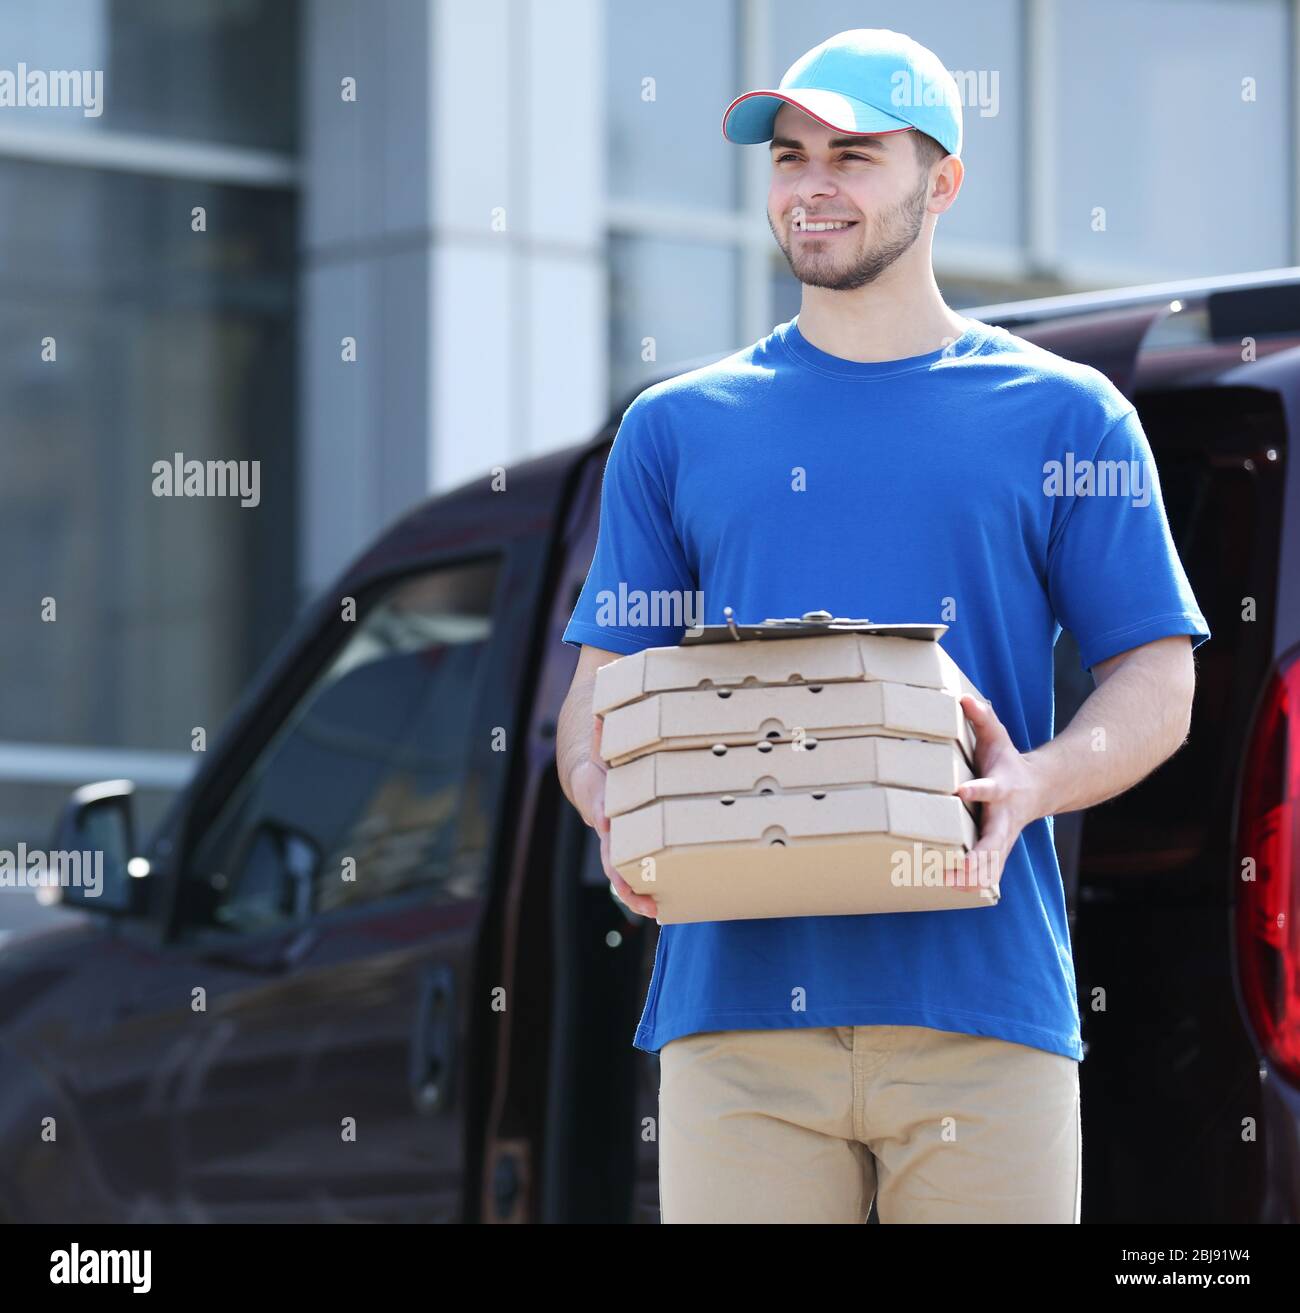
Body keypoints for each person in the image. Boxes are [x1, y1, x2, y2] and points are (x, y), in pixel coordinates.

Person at [556, 27, 1210, 1223]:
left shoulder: (1068, 418)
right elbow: (598, 695)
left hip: (981, 1008)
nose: (811, 184)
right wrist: (612, 802)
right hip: (736, 1019)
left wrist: (1031, 783)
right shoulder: (674, 428)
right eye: (790, 155)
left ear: (941, 181)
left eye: (852, 155)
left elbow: (1155, 680)